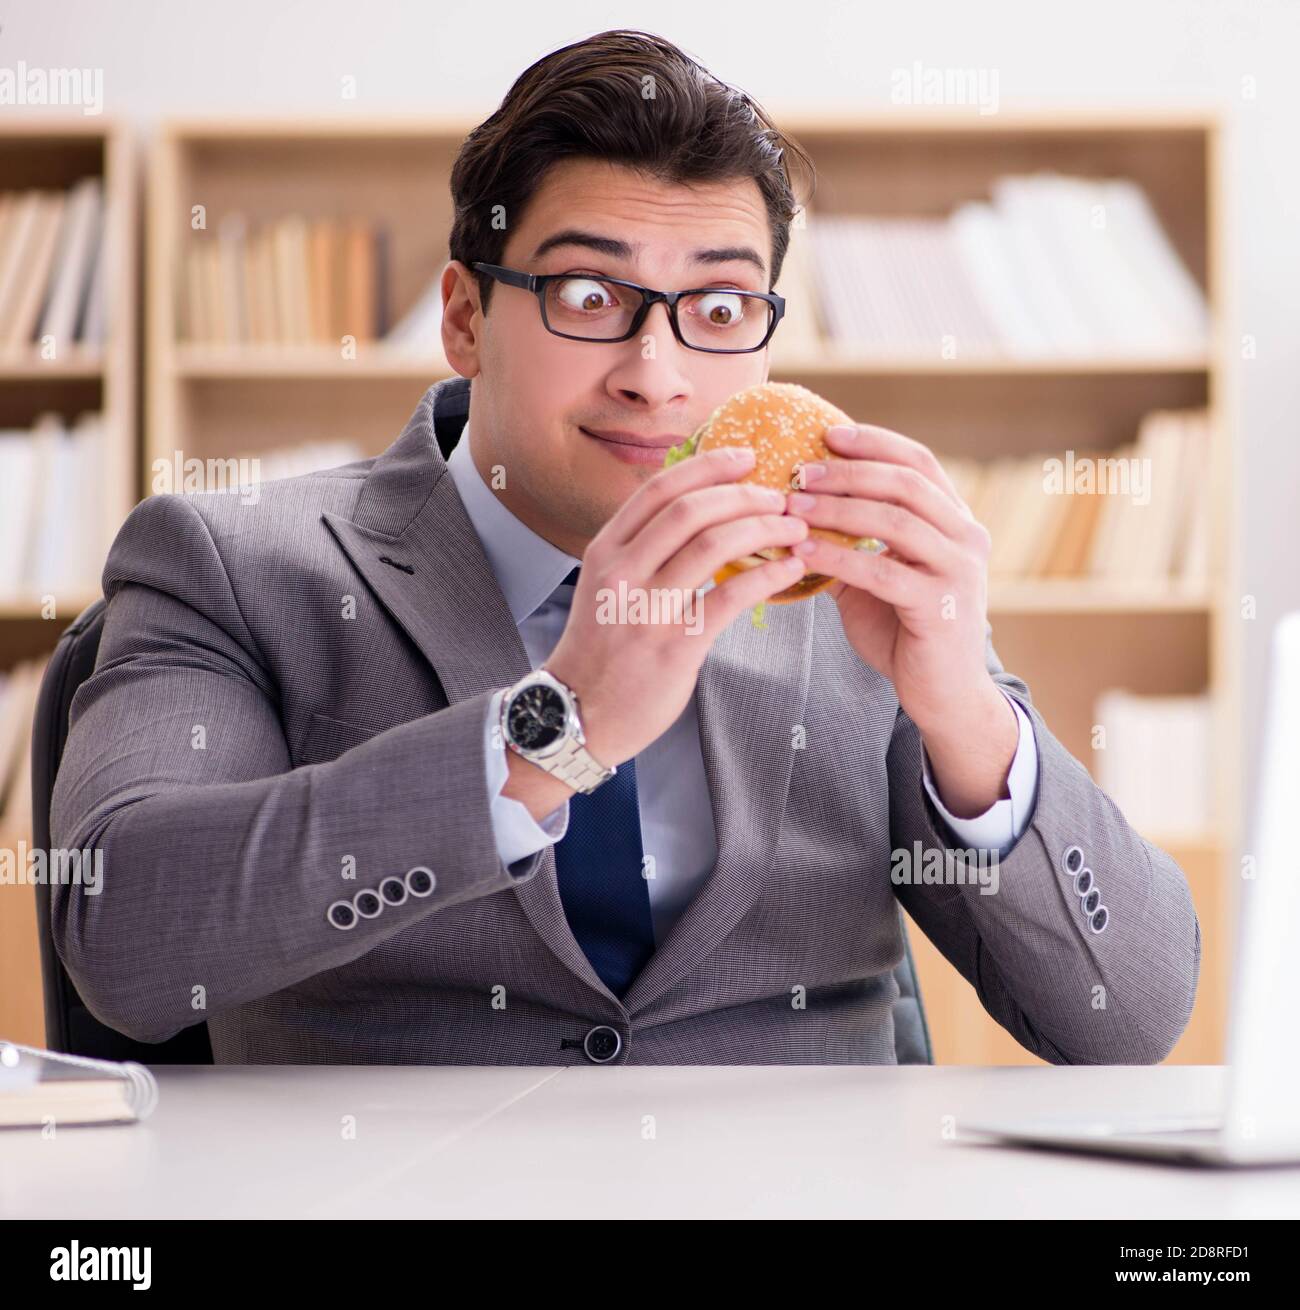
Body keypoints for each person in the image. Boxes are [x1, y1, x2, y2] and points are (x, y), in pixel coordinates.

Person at [50, 29, 1198, 1065]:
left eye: (718, 307)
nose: (657, 374)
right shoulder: (234, 563)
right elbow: (126, 941)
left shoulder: (850, 583)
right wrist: (554, 729)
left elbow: (1130, 1021)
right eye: (590, 294)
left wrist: (969, 719)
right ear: (464, 318)